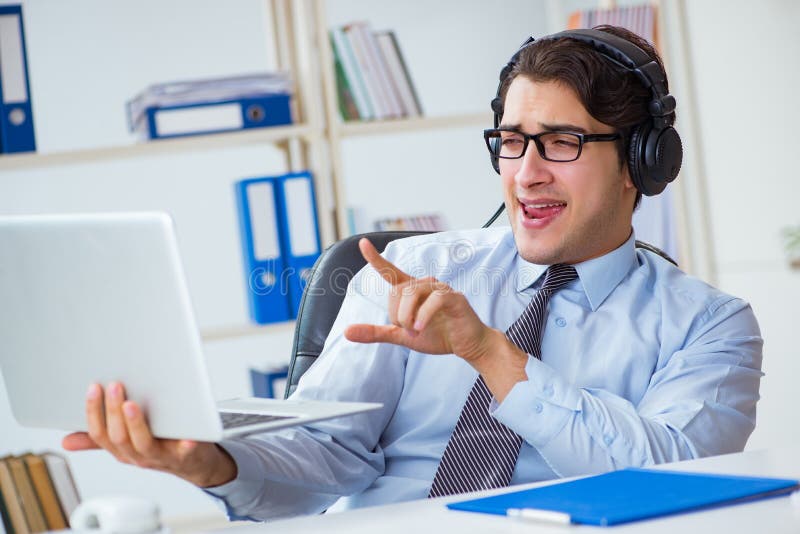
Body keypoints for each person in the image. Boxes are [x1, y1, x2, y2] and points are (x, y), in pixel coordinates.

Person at [63, 25, 762, 521]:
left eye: (561, 142)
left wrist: (490, 353)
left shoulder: (710, 326)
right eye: (512, 143)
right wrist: (210, 463)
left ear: (643, 162)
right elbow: (325, 455)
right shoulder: (413, 268)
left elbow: (670, 476)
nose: (526, 174)